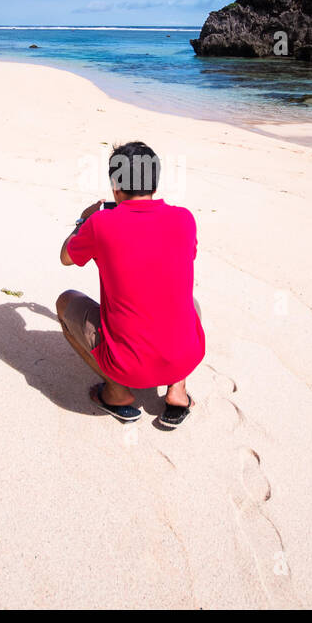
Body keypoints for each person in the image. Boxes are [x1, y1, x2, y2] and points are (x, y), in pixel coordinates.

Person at [56, 141, 205, 425]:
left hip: (127, 364)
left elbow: (65, 257)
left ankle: (117, 392)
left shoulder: (100, 224)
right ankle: (178, 390)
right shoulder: (185, 220)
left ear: (115, 186)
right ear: (154, 184)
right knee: (190, 302)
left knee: (66, 301)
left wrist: (82, 221)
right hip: (185, 354)